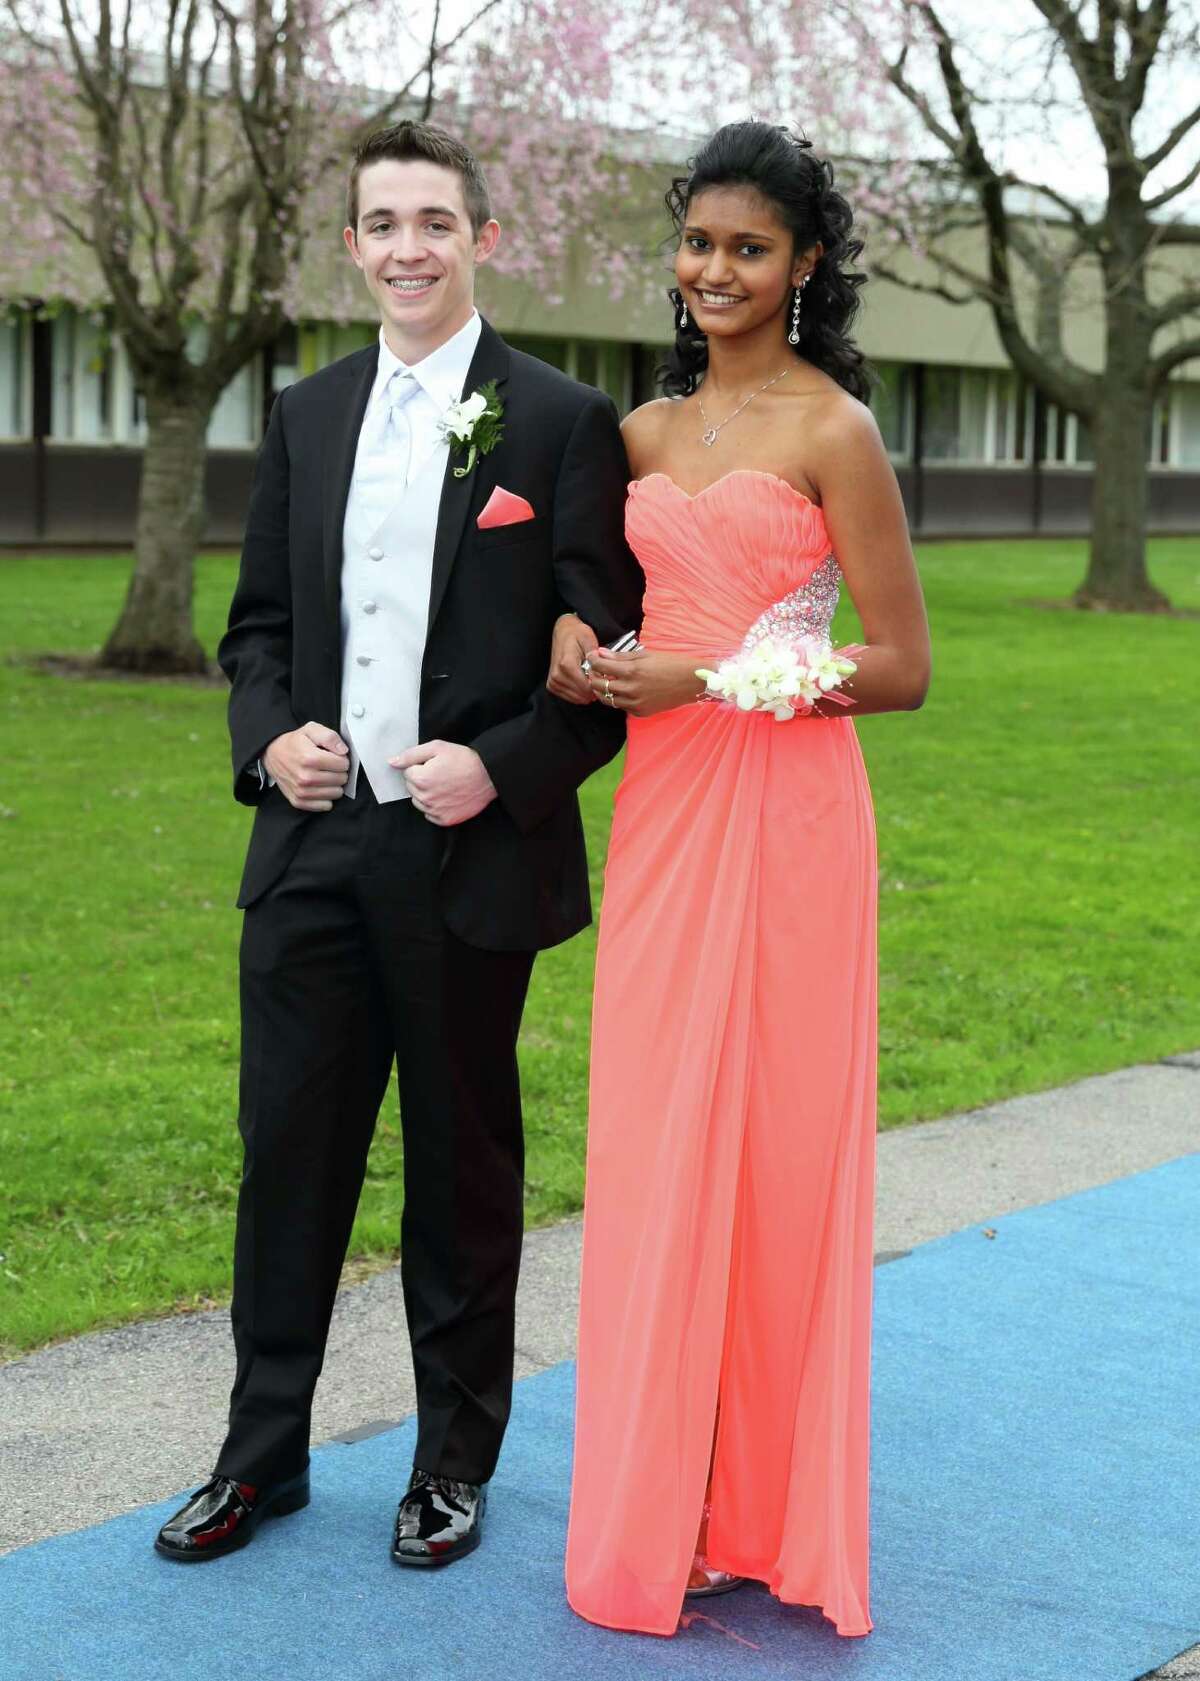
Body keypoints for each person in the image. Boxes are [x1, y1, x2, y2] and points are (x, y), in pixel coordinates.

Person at [154, 119, 643, 1568]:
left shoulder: (559, 422)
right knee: (285, 1161)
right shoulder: (304, 417)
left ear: (483, 237)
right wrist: (269, 739)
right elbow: (256, 637)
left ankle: (451, 1463)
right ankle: (260, 1458)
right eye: (383, 222)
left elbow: (608, 667)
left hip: (462, 864)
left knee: (461, 1168)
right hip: (308, 853)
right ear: (353, 245)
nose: (409, 246)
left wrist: (495, 772)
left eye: (436, 219)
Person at [554, 121, 931, 1637]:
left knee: (774, 1158)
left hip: (789, 819)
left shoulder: (836, 430)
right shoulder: (636, 438)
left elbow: (901, 666)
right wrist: (579, 658)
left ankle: (770, 1516)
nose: (716, 270)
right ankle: (669, 1507)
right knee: (657, 1147)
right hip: (664, 816)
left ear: (806, 264)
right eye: (699, 243)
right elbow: (588, 615)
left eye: (749, 248)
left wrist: (710, 678)